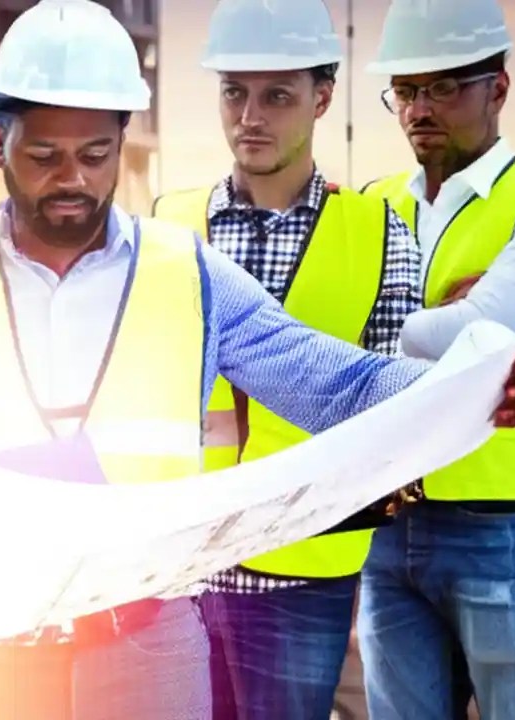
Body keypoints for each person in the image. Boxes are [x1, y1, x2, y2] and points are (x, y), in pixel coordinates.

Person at [0, 1, 515, 719]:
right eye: (44, 157)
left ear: (123, 142)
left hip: (147, 638)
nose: (72, 181)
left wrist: (488, 379)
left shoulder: (187, 272)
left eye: (94, 156)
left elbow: (338, 383)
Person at [152, 1, 421, 716]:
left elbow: (396, 402)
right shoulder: (166, 225)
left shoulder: (378, 231)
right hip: (179, 568)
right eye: (234, 92)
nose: (250, 115)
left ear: (323, 97)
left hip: (303, 575)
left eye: (277, 95)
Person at [356, 0, 515, 717]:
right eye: (405, 91)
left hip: (512, 524)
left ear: (497, 87)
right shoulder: (371, 207)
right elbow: (321, 328)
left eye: (442, 87)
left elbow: (475, 327)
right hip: (391, 519)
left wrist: (441, 324)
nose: (418, 108)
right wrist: (450, 323)